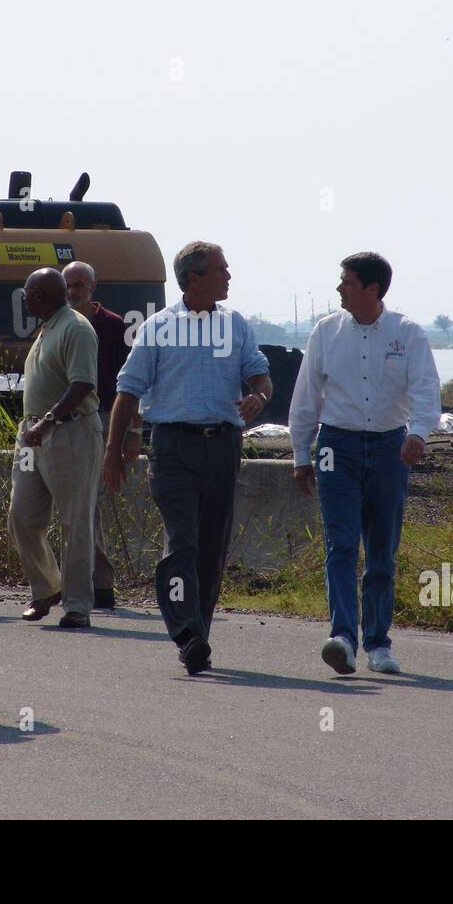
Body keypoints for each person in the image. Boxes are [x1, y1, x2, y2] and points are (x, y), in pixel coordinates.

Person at [105, 242, 271, 675]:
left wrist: (259, 396)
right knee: (182, 542)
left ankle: (200, 631)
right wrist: (115, 450)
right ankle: (187, 633)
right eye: (221, 269)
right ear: (194, 278)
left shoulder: (236, 325)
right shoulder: (158, 327)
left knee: (211, 548)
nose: (229, 275)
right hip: (173, 448)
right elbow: (128, 390)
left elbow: (259, 375)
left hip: (223, 447)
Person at [288, 252, 440, 676]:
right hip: (336, 445)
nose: (340, 288)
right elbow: (306, 398)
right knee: (340, 543)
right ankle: (343, 637)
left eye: (348, 282)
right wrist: (302, 455)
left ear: (373, 289)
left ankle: (378, 643)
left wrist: (419, 433)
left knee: (381, 549)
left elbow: (426, 389)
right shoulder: (326, 332)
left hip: (391, 446)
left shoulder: (407, 334)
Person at [9, 268, 103, 629]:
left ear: (46, 295)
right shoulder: (46, 327)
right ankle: (47, 586)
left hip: (68, 431)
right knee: (22, 515)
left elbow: (82, 383)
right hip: (31, 435)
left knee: (74, 521)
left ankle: (77, 604)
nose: (25, 298)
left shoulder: (76, 328)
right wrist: (35, 426)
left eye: (29, 292)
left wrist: (48, 420)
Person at [63, 260, 140, 609]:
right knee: (75, 504)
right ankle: (79, 580)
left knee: (88, 502)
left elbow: (132, 385)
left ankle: (100, 581)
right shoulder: (55, 325)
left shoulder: (113, 326)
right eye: (68, 284)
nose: (73, 290)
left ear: (92, 288)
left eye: (80, 284)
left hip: (103, 418)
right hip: (63, 421)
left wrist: (131, 433)